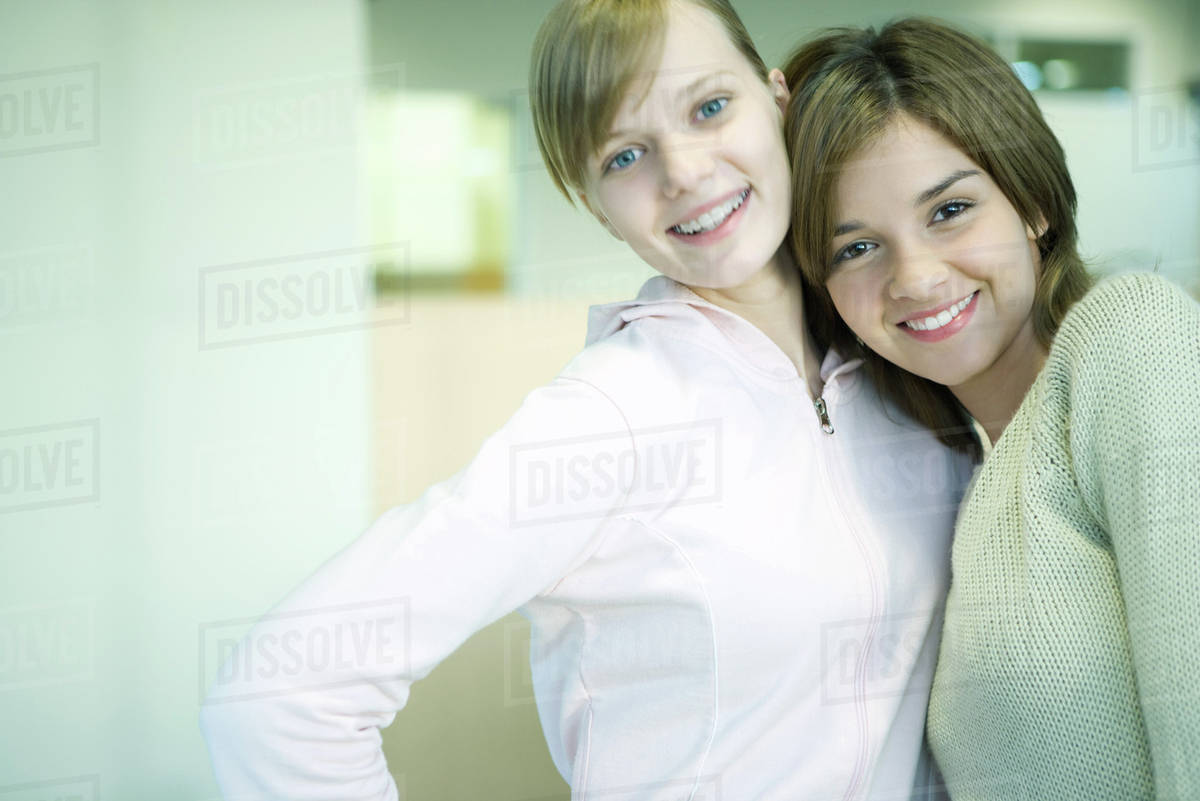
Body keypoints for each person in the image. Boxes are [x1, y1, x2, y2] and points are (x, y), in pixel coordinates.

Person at [198, 3, 971, 800]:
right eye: (625, 155)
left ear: (777, 100)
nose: (684, 171)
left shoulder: (893, 364)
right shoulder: (606, 417)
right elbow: (276, 699)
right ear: (592, 201)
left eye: (710, 107)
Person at [781, 18, 1200, 801]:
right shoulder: (960, 470)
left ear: (1033, 202)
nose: (916, 276)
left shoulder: (1131, 335)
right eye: (857, 247)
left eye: (949, 211)